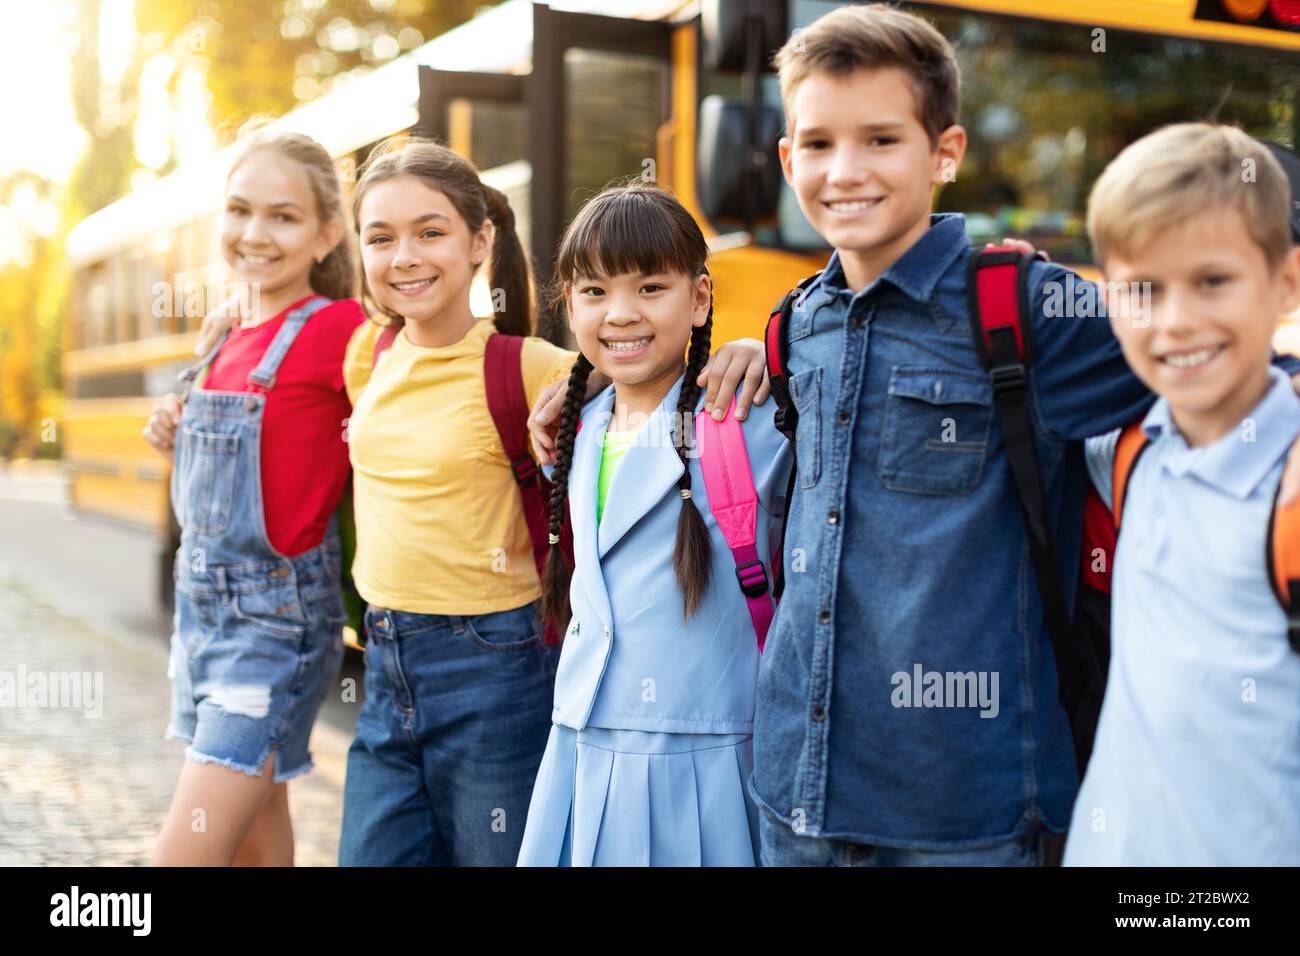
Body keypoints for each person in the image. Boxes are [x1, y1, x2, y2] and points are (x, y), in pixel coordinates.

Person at [749, 3, 1300, 866]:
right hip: (791, 793)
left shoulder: (1027, 310)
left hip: (964, 814)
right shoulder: (795, 325)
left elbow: (1211, 346)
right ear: (787, 159)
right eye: (817, 144)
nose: (845, 171)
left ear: (946, 153)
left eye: (883, 140)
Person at [335, 139, 774, 866]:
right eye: (380, 237)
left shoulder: (537, 369)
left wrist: (756, 351)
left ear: (480, 242)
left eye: (430, 231)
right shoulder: (370, 356)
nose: (405, 255)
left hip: (501, 663)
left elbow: (644, 373)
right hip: (390, 662)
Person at [516, 183, 792, 866]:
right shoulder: (572, 428)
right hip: (581, 745)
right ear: (567, 304)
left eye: (650, 288)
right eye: (593, 293)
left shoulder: (752, 419)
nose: (620, 315)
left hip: (705, 756)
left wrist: (769, 358)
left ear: (699, 298)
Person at [1063, 124, 1300, 865]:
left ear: (1286, 283)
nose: (1175, 321)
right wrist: (757, 348)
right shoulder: (1132, 451)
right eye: (1143, 289)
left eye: (1212, 281)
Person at [142, 128, 363, 865]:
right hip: (201, 621)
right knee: (256, 848)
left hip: (273, 630)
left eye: (283, 216)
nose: (254, 233)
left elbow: (434, 366)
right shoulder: (224, 335)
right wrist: (176, 421)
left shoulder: (342, 328)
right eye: (239, 211)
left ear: (328, 233)